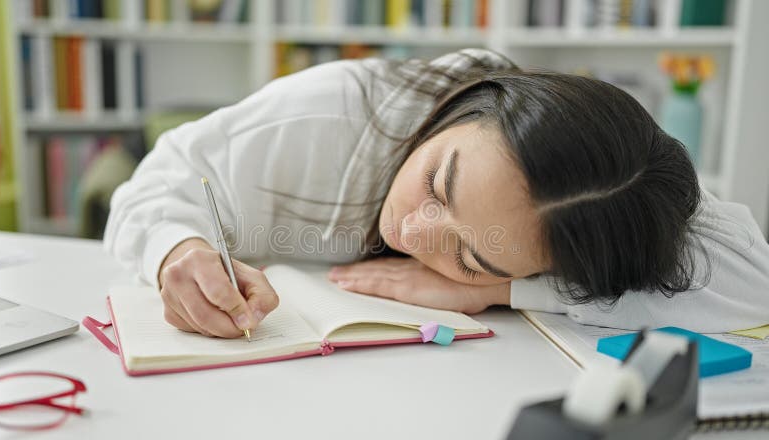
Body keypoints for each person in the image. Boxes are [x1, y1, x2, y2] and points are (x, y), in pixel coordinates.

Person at [103, 48, 769, 339]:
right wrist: (175, 251)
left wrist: (500, 292)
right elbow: (153, 185)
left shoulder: (569, 223)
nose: (418, 235)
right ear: (468, 109)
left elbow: (750, 281)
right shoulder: (329, 110)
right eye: (438, 185)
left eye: (472, 256)